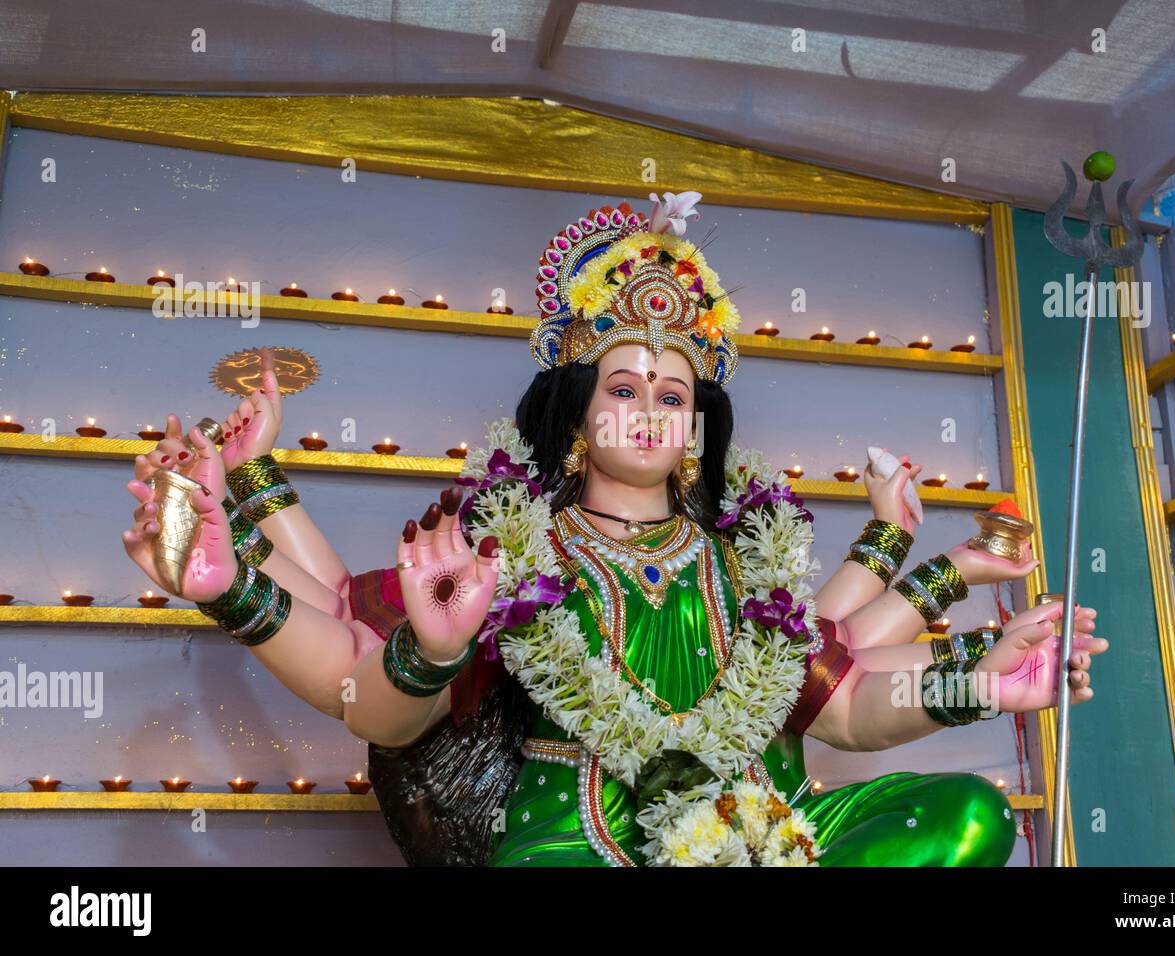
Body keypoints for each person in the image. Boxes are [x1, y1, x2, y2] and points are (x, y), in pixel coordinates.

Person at [122, 192, 1107, 866]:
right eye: (624, 385)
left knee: (968, 814)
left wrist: (985, 677)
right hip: (574, 844)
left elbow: (844, 707)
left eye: (672, 393)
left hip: (765, 831)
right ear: (575, 406)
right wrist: (230, 583)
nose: (648, 409)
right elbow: (367, 691)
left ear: (694, 424)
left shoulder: (742, 560)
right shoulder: (512, 545)